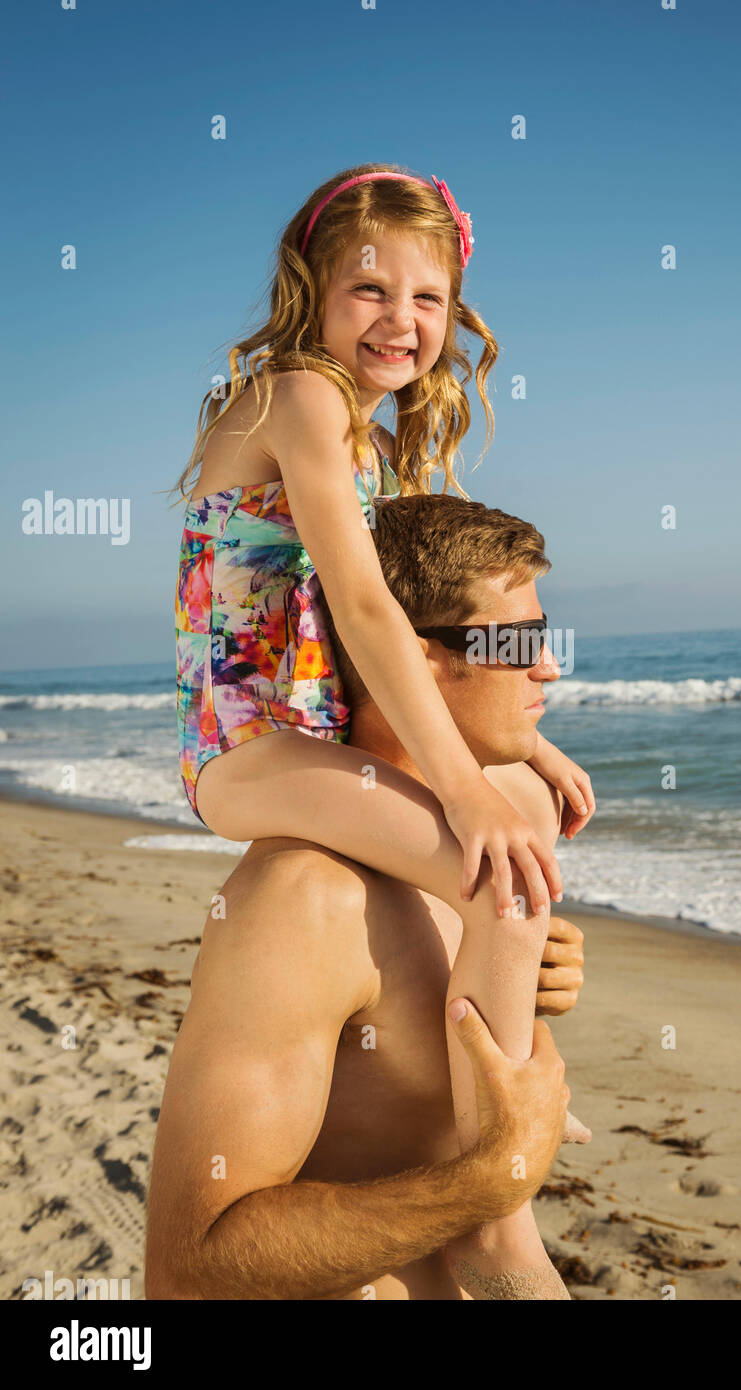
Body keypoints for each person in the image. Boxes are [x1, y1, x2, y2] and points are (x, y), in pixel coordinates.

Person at [170, 163, 595, 1291]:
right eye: (370, 290)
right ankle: (494, 1171)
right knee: (492, 865)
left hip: (306, 740)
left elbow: (437, 621)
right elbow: (363, 610)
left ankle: (501, 1090)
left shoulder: (363, 434)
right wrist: (458, 785)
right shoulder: (299, 399)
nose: (402, 321)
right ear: (312, 287)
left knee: (513, 831)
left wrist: (524, 747)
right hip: (253, 749)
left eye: (429, 298)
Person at [148, 494, 586, 1299]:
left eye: (546, 636)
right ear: (412, 657)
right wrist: (484, 1186)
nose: (549, 666)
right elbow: (188, 1272)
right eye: (519, 642)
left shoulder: (517, 813)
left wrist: (547, 981)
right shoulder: (305, 901)